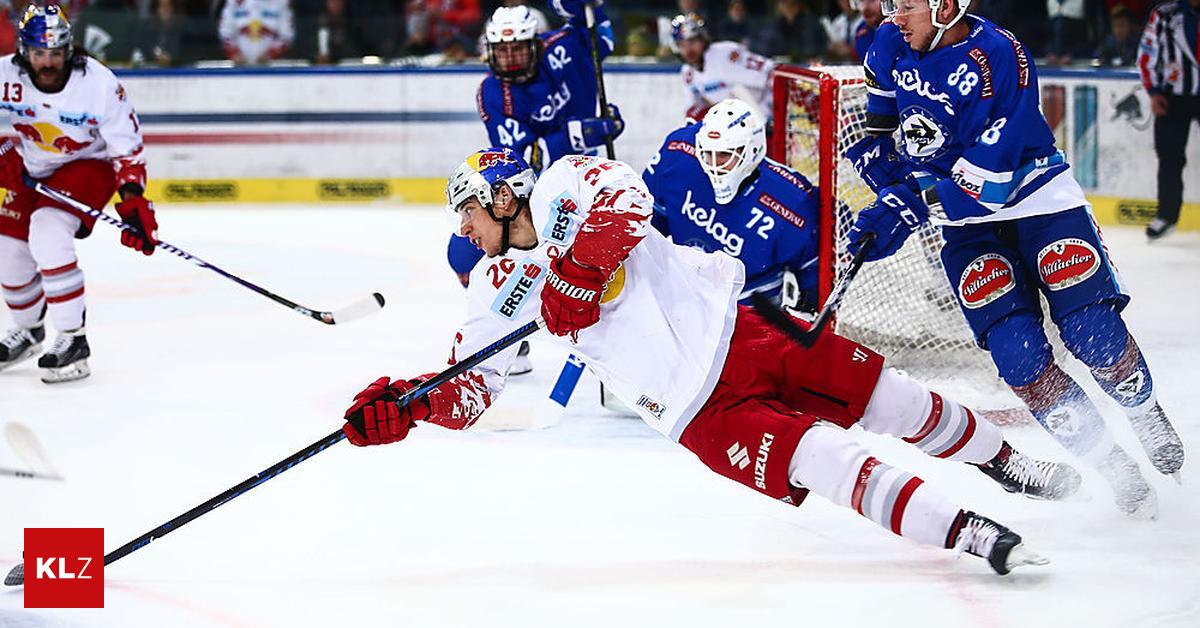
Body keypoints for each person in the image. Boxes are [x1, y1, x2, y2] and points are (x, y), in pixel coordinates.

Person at [338, 146, 1084, 576]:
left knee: (894, 399)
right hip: (696, 409)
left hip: (745, 326)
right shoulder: (492, 286)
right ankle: (971, 531)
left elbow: (628, 203)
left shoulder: (566, 180)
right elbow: (472, 387)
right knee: (826, 460)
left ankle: (1005, 461)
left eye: (468, 211)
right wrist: (412, 403)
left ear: (504, 197)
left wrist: (576, 276)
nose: (464, 230)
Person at [846, 0, 1184, 517]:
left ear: (945, 6)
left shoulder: (1000, 55)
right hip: (967, 231)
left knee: (1091, 331)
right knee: (1020, 359)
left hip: (1040, 205)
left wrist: (913, 204)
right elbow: (878, 135)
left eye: (907, 4)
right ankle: (1114, 466)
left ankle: (1143, 409)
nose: (894, 16)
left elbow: (993, 183)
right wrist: (887, 190)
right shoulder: (890, 43)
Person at [447, 0, 622, 373]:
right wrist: (581, 132)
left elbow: (601, 35)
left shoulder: (563, 48)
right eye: (502, 51)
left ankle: (621, 329)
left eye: (518, 49)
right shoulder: (492, 92)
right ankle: (510, 337)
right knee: (461, 254)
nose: (510, 60)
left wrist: (576, 5)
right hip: (533, 192)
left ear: (537, 44)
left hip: (584, 183)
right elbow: (525, 158)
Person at [0, 4, 158, 383]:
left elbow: (127, 148)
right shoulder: (5, 74)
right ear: (24, 51)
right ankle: (28, 330)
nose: (48, 63)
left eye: (56, 53)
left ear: (69, 49)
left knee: (48, 230)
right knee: (8, 251)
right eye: (39, 54)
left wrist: (133, 201)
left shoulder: (98, 84)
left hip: (88, 165)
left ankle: (73, 339)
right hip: (32, 166)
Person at [643, 98, 819, 310]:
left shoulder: (790, 202)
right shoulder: (678, 153)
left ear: (752, 151)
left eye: (725, 154)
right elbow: (646, 227)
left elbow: (815, 275)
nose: (714, 164)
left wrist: (807, 308)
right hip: (685, 300)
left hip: (751, 316)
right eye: (707, 153)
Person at [1138, 0, 1200, 240]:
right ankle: (1166, 215)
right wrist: (1153, 91)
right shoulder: (1164, 15)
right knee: (1169, 158)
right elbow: (1146, 54)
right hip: (1172, 97)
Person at [671, 13, 775, 122]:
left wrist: (771, 114)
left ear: (703, 39)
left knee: (738, 90)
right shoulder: (688, 73)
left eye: (692, 42)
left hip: (764, 118)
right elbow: (693, 109)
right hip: (733, 124)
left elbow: (770, 74)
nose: (688, 50)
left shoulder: (726, 54)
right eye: (681, 45)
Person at [218, 0, 294, 64]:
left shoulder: (281, 2)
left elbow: (286, 35)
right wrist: (234, 53)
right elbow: (225, 33)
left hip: (272, 67)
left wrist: (270, 54)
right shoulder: (233, 2)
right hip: (239, 67)